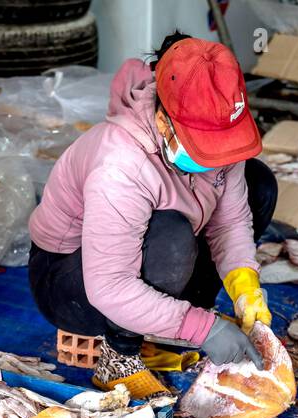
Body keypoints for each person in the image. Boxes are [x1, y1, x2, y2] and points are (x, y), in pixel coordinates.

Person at [29, 33, 277, 399]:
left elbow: (230, 221)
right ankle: (120, 355)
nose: (219, 158)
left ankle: (171, 321)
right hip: (72, 281)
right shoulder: (120, 164)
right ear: (163, 123)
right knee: (171, 234)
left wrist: (245, 285)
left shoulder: (217, 123)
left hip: (150, 256)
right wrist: (205, 330)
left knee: (259, 182)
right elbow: (110, 285)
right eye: (205, 145)